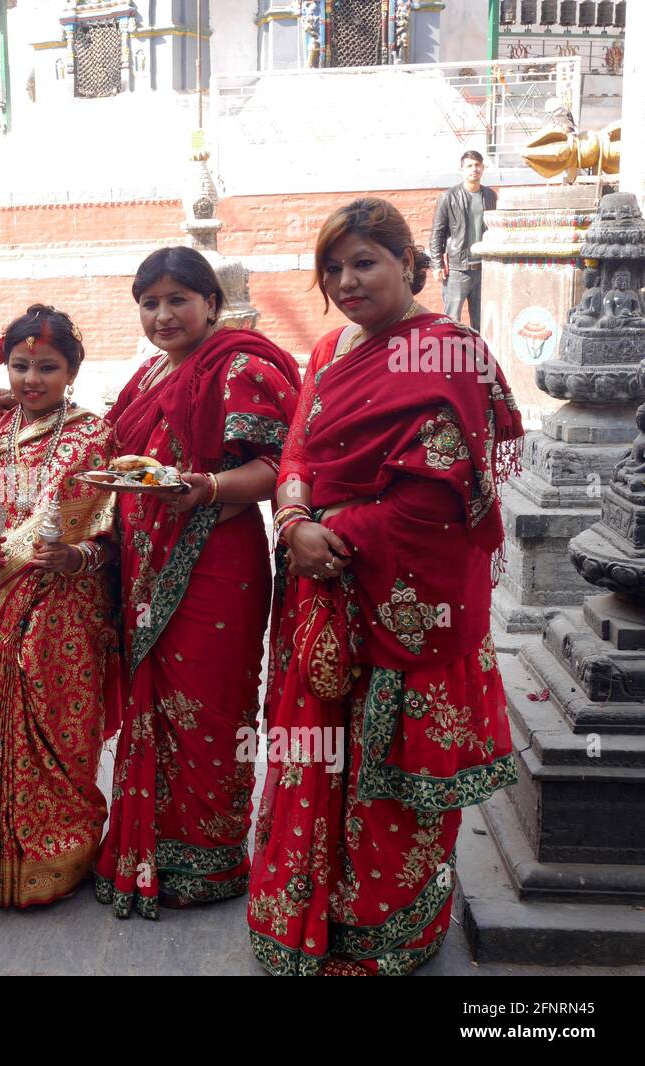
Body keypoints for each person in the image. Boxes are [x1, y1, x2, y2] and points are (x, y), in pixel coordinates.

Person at [249, 197, 523, 976]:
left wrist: (329, 535)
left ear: (410, 263)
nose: (345, 281)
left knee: (388, 783)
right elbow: (298, 444)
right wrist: (294, 517)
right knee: (317, 758)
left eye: (364, 262)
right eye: (332, 268)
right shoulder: (331, 349)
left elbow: (438, 504)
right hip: (321, 592)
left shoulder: (449, 355)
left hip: (404, 602)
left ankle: (385, 933)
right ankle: (307, 920)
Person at [93, 247, 302, 918]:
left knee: (209, 711)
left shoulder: (241, 366)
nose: (162, 315)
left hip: (215, 561)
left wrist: (206, 487)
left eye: (178, 299)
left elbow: (282, 465)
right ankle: (143, 849)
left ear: (211, 303)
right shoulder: (152, 372)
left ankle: (208, 860)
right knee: (150, 711)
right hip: (146, 563)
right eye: (149, 303)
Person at [0, 305, 121, 911]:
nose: (32, 379)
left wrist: (75, 558)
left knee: (62, 731)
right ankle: (7, 860)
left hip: (66, 610)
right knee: (4, 725)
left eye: (47, 367)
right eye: (21, 366)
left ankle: (67, 855)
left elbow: (112, 534)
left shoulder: (93, 434)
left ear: (72, 371)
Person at [429, 150, 497, 329]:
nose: (474, 169)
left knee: (481, 321)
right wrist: (436, 264)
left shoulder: (490, 196)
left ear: (483, 168)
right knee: (452, 320)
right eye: (470, 165)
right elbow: (437, 232)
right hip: (457, 270)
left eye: (478, 165)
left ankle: (478, 355)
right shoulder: (449, 197)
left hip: (483, 268)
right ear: (462, 169)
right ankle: (452, 355)